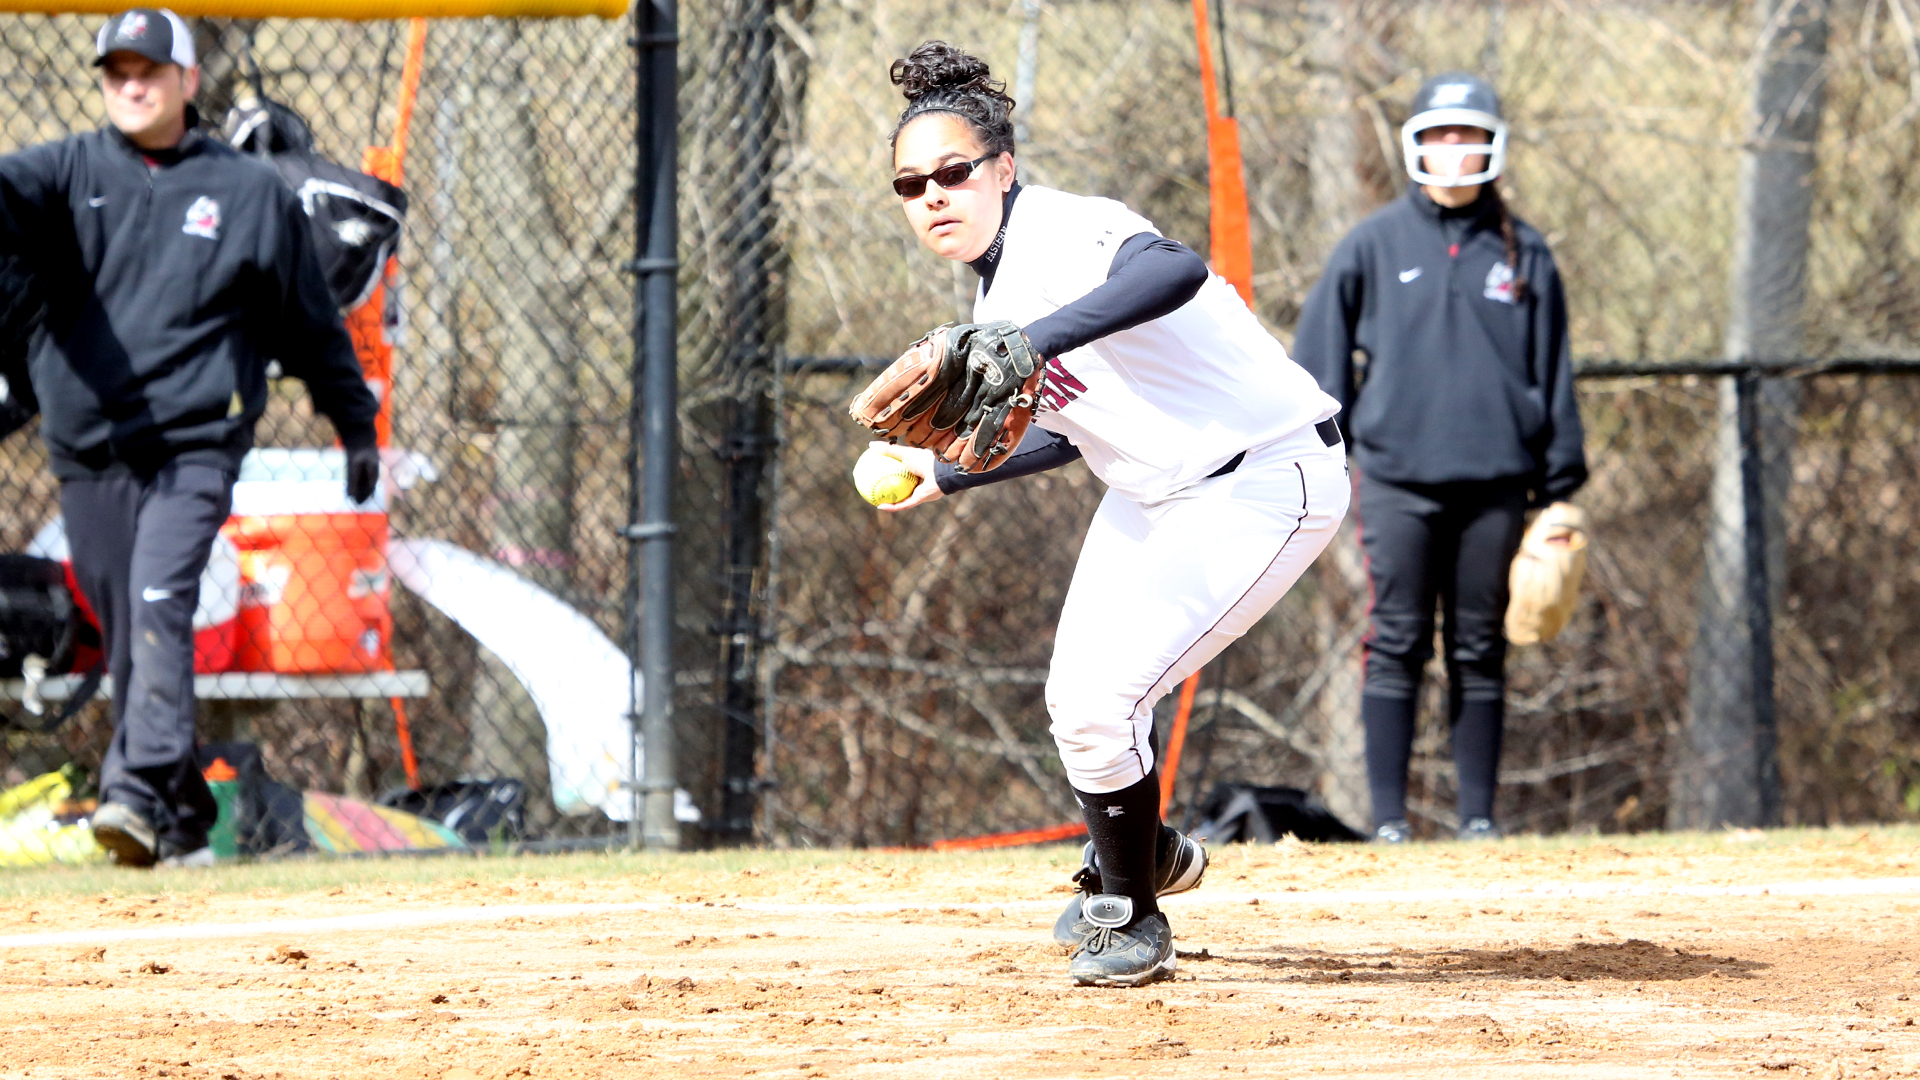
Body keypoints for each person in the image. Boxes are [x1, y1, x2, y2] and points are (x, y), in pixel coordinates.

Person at [870, 41, 1348, 986]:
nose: (933, 194)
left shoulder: (1064, 230)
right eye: (911, 183)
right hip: (1155, 491)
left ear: (1004, 170)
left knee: (1102, 700)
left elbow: (1169, 269)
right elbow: (1075, 427)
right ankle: (1148, 855)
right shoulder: (995, 293)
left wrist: (1029, 338)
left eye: (955, 172)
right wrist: (947, 472)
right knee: (1076, 706)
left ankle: (1131, 916)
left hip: (1266, 478)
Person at [0, 8, 381, 866]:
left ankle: (130, 794)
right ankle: (182, 826)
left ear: (188, 81)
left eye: (149, 70)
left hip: (193, 448)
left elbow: (310, 323)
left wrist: (354, 423)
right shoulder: (65, 174)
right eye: (116, 72)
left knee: (159, 601)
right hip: (93, 453)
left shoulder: (247, 195)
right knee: (135, 628)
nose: (131, 85)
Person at [1292, 73, 1586, 844]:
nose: (1453, 151)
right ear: (1415, 144)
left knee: (1481, 647)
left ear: (1492, 145)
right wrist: (1326, 452)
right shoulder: (1373, 244)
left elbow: (1553, 371)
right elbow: (1317, 364)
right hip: (1396, 481)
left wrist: (1560, 490)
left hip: (1497, 486)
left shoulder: (1527, 252)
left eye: (1468, 135)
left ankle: (1478, 821)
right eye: (1438, 135)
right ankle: (1388, 823)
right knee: (1396, 641)